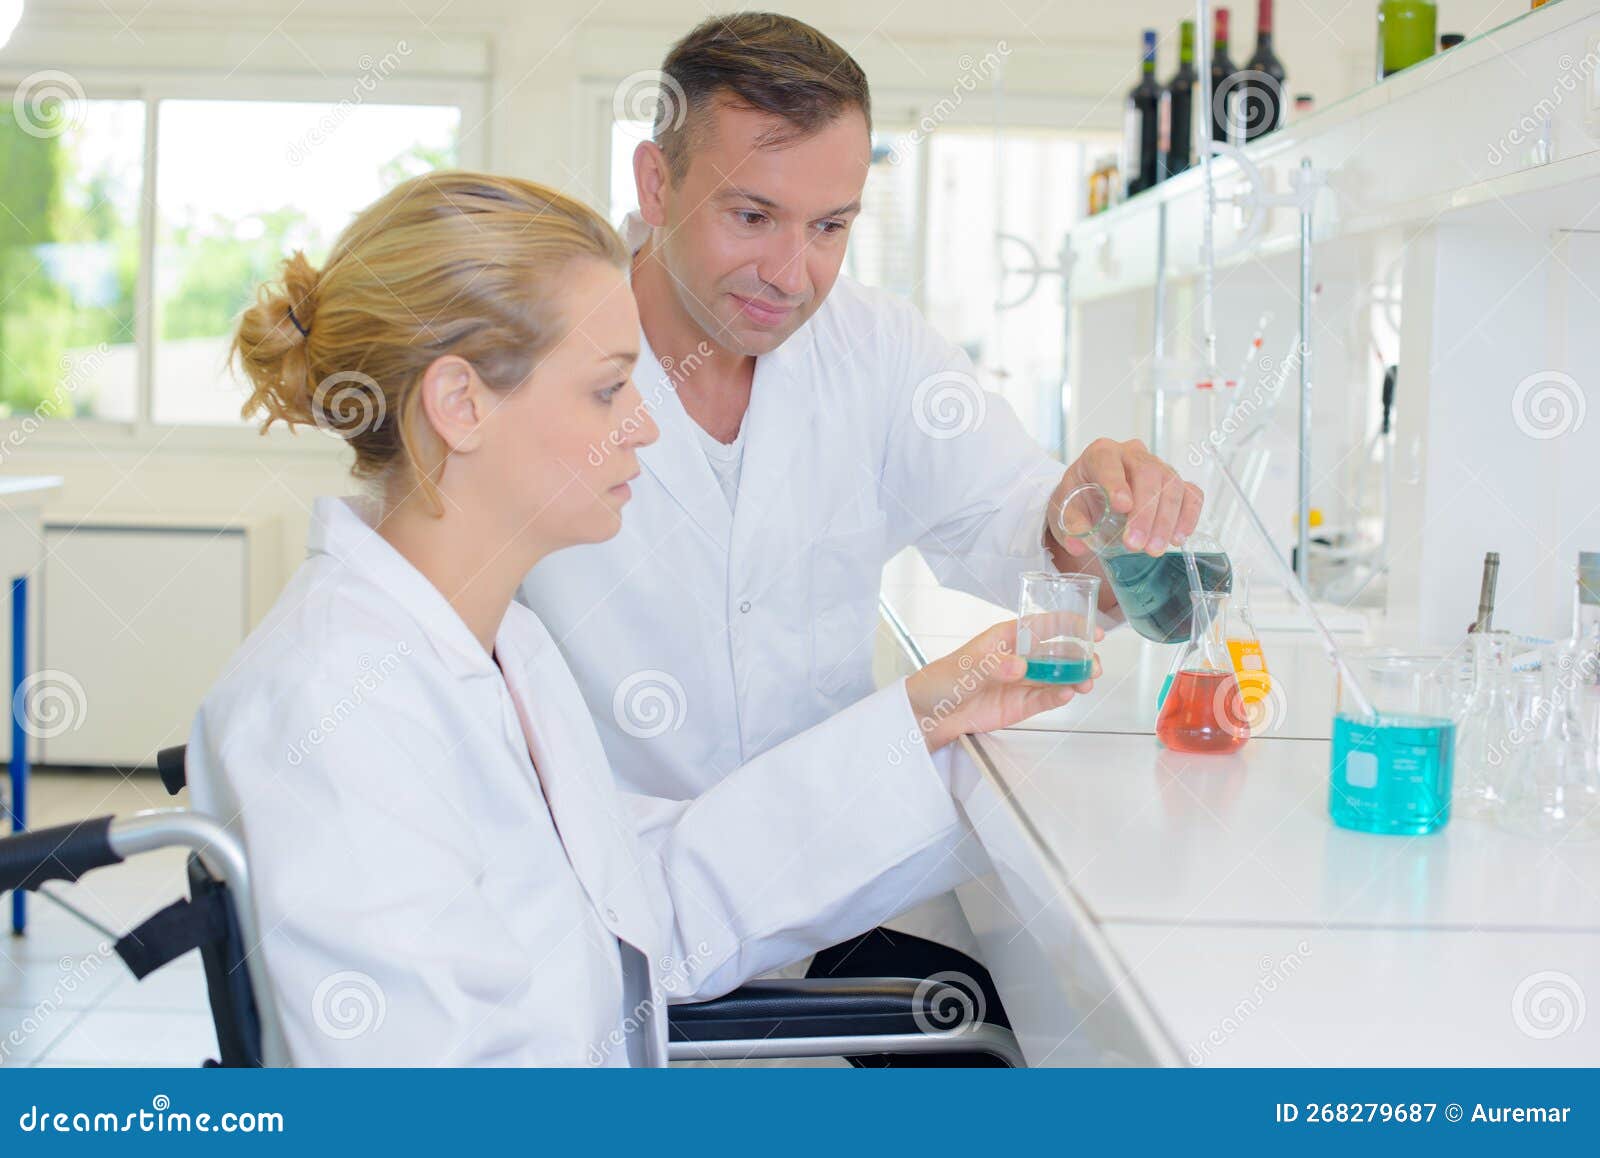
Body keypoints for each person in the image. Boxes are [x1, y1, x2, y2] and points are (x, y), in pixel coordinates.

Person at [188, 171, 1095, 1065]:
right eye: (608, 389)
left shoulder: (497, 646)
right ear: (460, 404)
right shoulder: (332, 707)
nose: (645, 427)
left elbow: (644, 901)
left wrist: (924, 716)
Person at [516, 12, 1203, 1010]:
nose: (794, 273)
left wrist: (1080, 515)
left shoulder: (873, 349)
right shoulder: (542, 365)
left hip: (822, 890)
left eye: (830, 226)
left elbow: (1011, 517)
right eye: (750, 216)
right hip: (610, 918)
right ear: (655, 183)